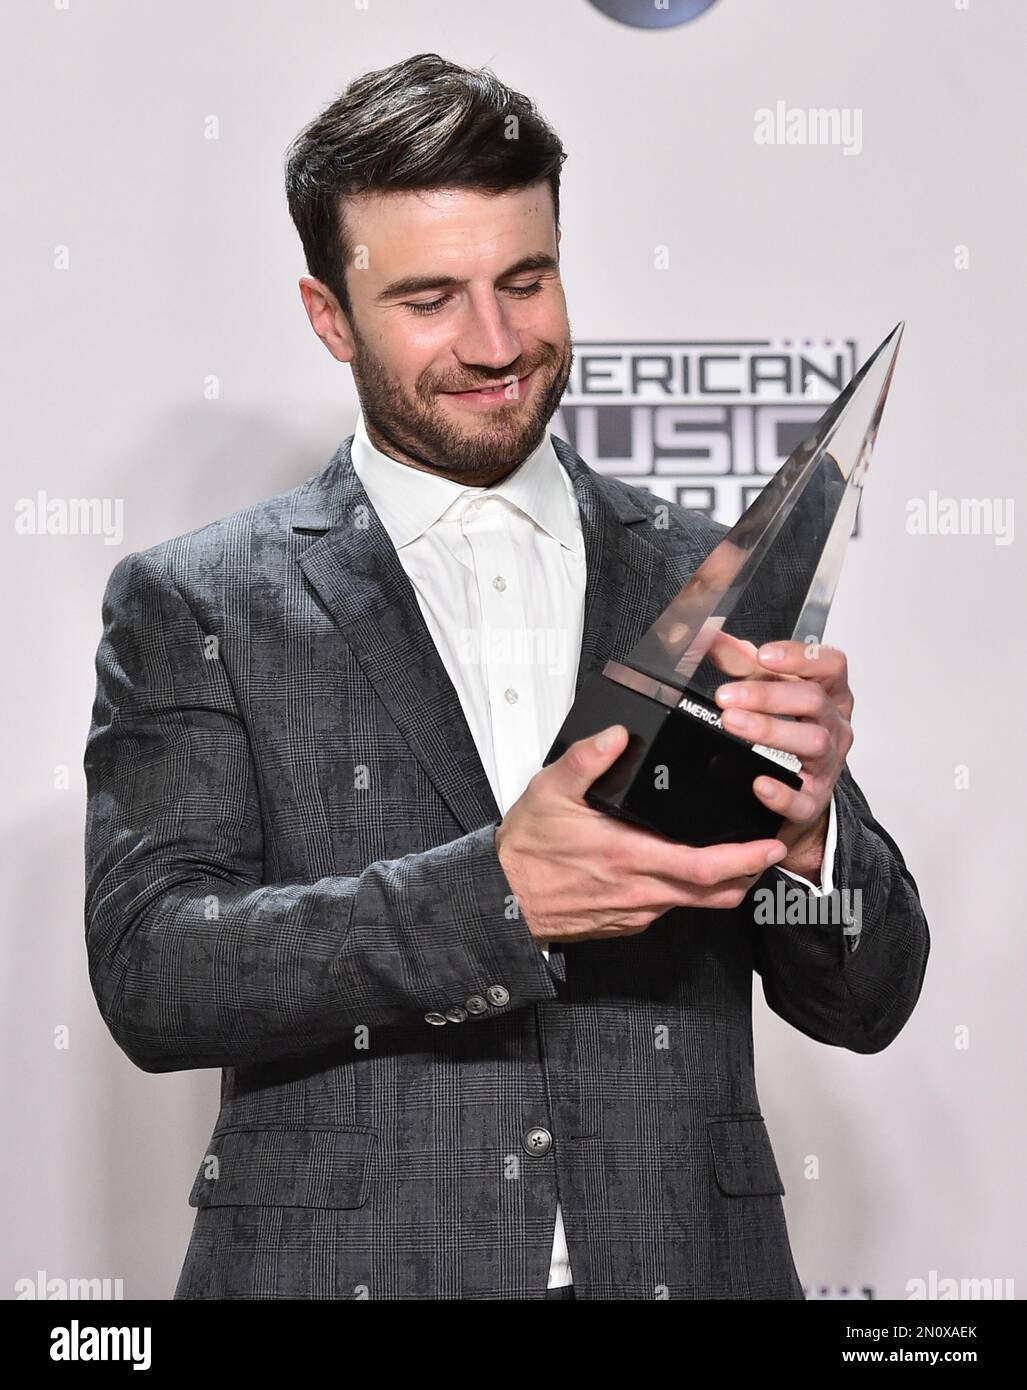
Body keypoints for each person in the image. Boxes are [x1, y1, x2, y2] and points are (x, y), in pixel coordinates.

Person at [83, 52, 929, 1301]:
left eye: (525, 281)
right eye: (431, 298)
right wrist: (495, 894)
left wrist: (811, 849)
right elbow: (156, 971)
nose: (495, 343)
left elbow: (868, 993)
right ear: (330, 316)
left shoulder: (702, 573)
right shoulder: (202, 601)